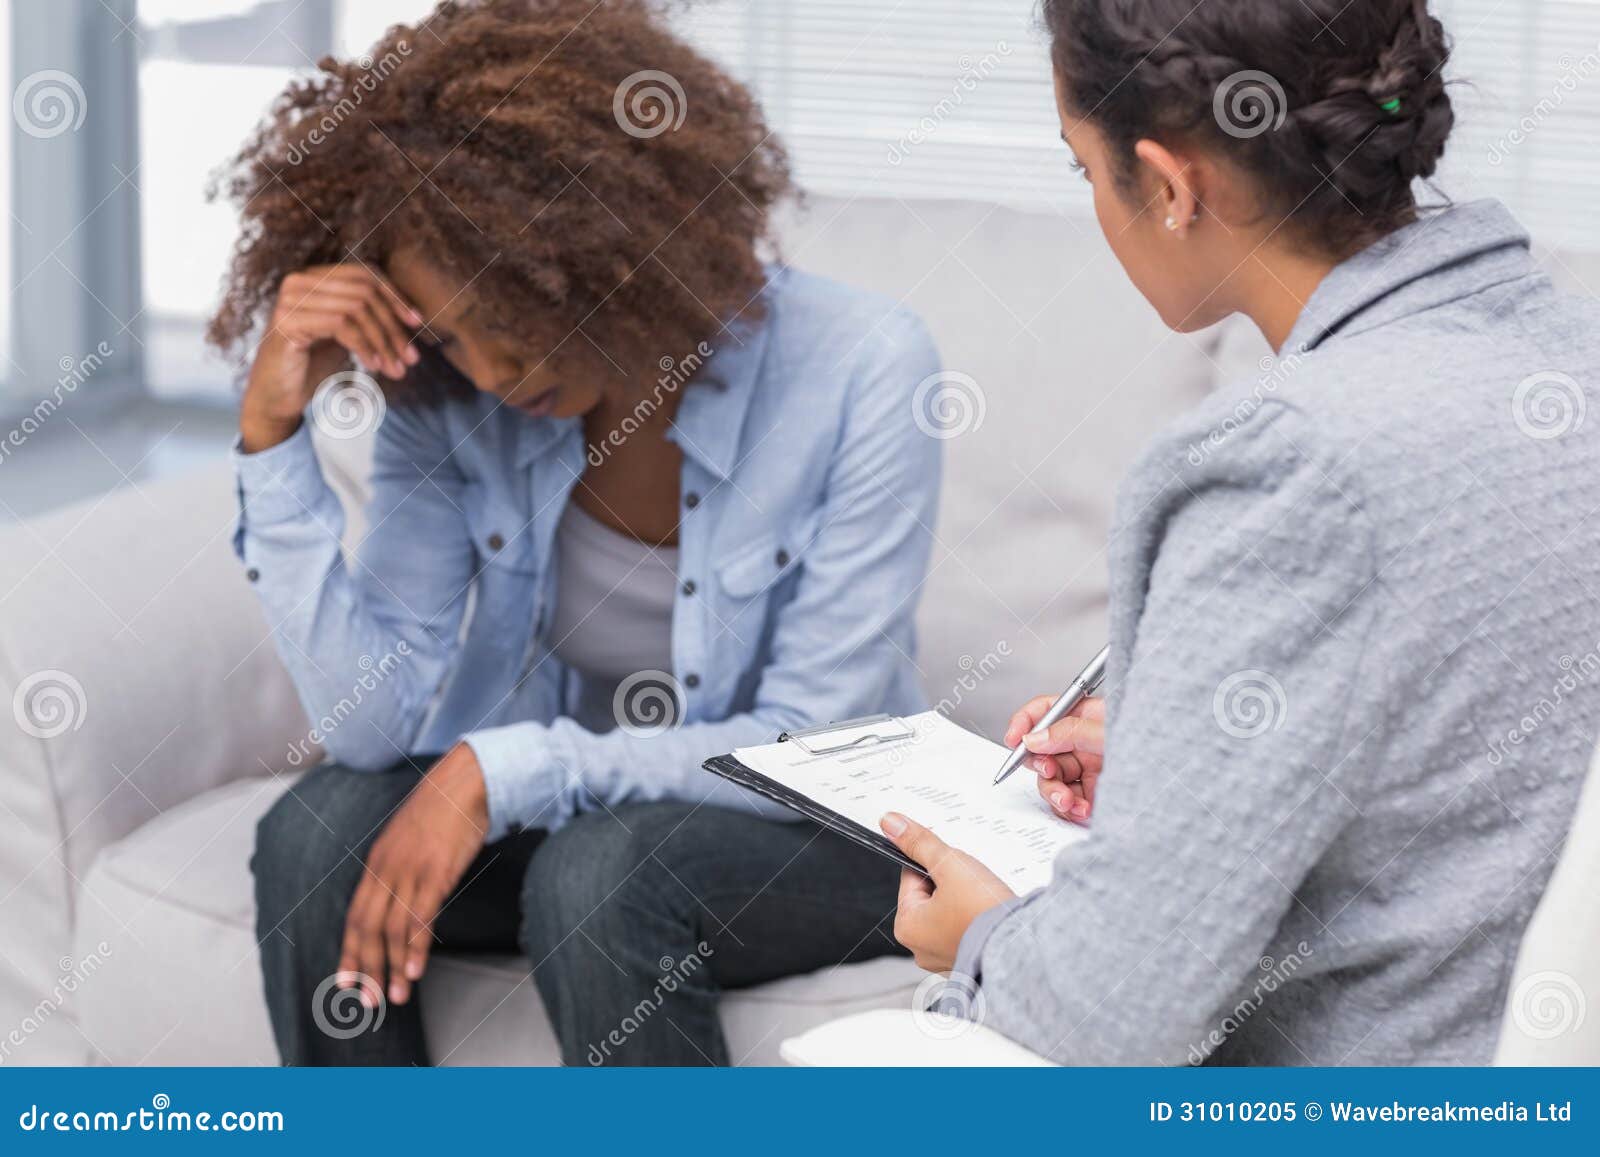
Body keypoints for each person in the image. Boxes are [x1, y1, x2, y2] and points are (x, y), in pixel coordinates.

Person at [217, 0, 940, 1066]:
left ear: (605, 248)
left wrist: (498, 772)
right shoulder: (447, 401)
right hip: (580, 819)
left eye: (517, 312)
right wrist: (270, 429)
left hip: (812, 832)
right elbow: (371, 727)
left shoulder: (865, 366)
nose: (497, 374)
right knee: (316, 836)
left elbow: (807, 741)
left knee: (600, 873)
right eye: (456, 338)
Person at [883, 0, 1600, 1065]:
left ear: (1171, 188)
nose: (1092, 202)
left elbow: (1103, 1018)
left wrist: (979, 936)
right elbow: (1482, 762)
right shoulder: (1556, 363)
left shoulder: (1283, 459)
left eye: (1086, 171)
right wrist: (1186, 766)